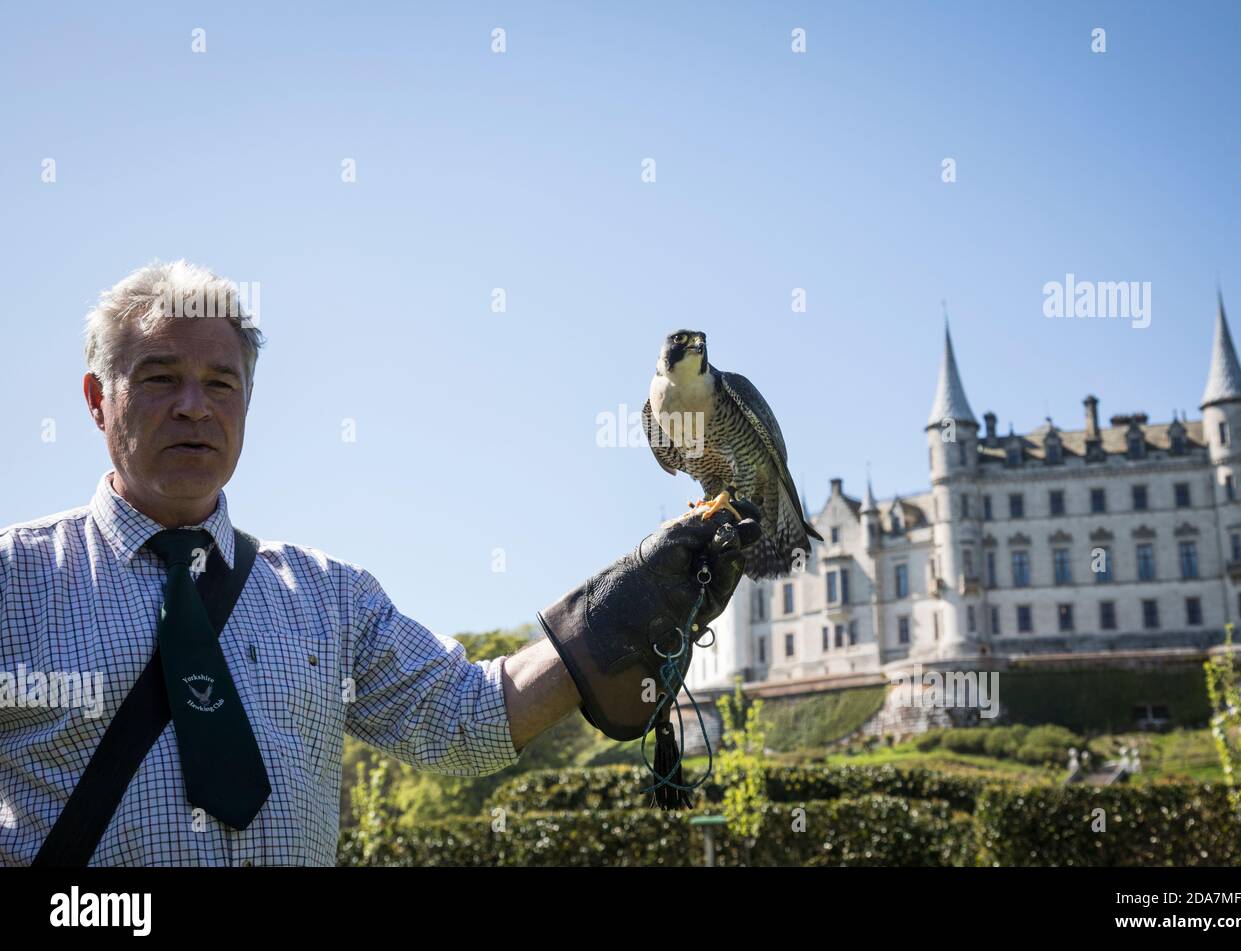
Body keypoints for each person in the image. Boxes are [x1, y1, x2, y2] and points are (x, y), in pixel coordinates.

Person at [0, 260, 759, 865]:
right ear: (98, 398)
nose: (195, 406)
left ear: (248, 403)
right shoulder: (15, 582)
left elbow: (466, 720)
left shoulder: (329, 598)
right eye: (161, 377)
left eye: (222, 383)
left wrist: (616, 615)